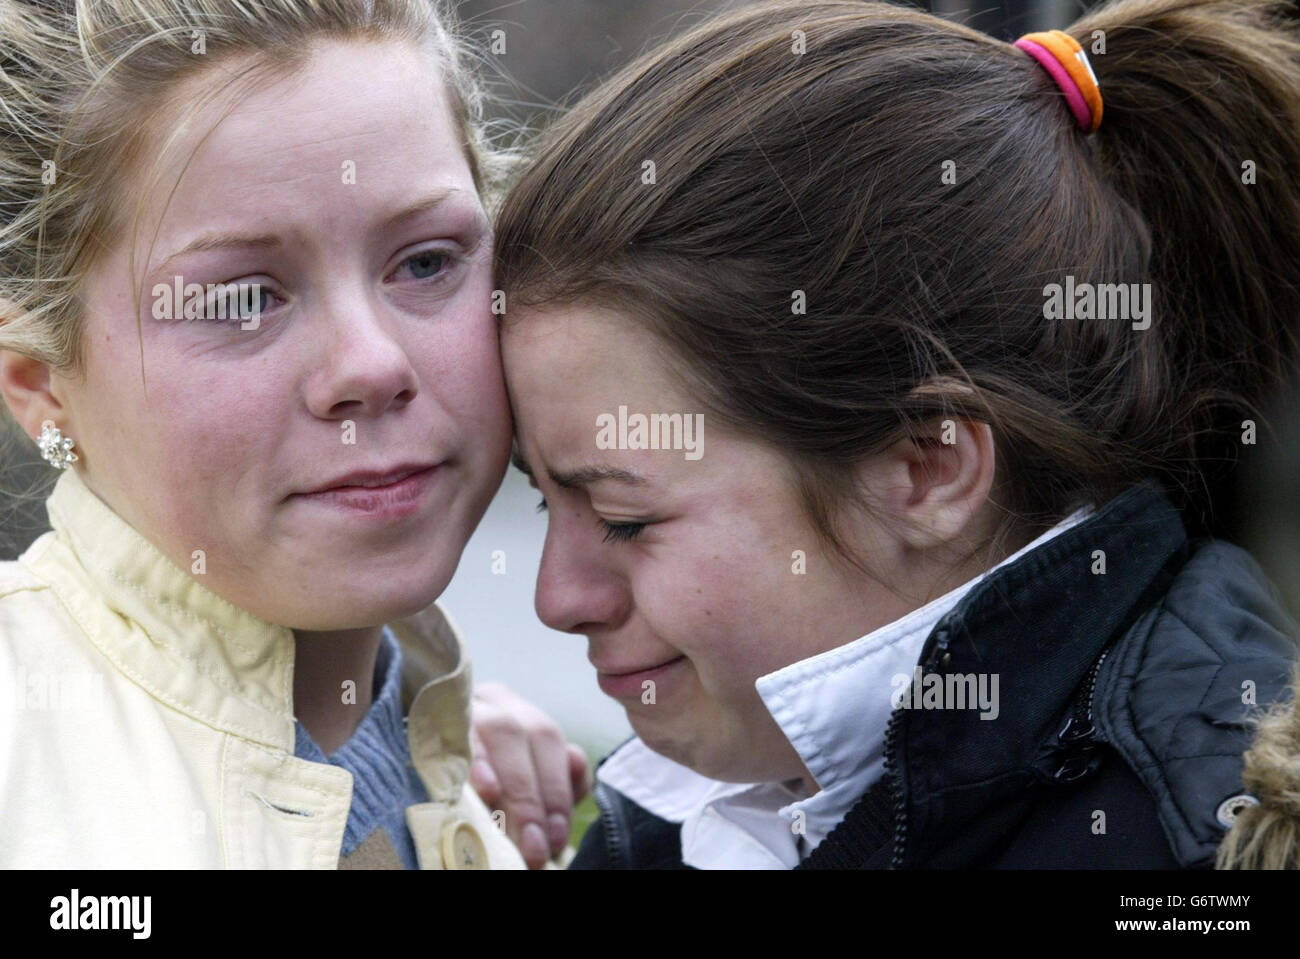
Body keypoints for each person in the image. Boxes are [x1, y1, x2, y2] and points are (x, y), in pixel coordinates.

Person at [494, 0, 1300, 868]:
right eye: (544, 500)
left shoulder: (1200, 853)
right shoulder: (681, 812)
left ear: (927, 469)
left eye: (623, 516)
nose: (557, 599)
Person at [0, 0, 583, 869]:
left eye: (426, 261)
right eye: (242, 298)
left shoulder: (492, 798)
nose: (371, 364)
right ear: (41, 383)